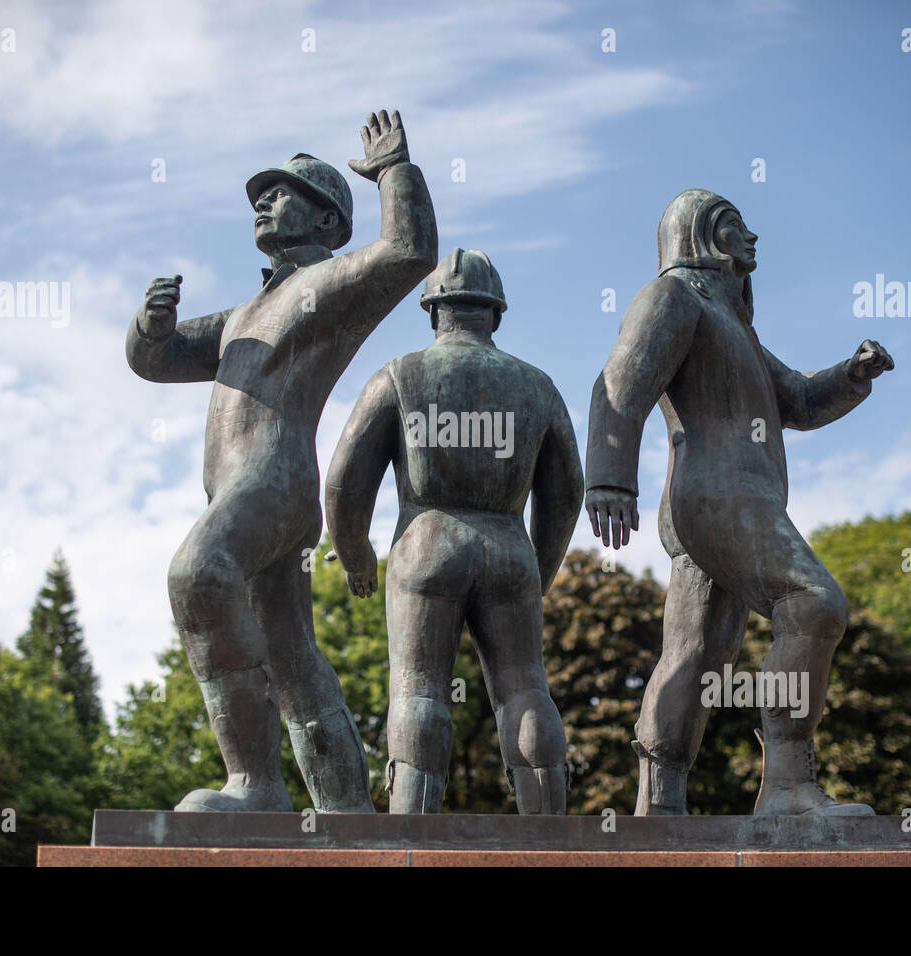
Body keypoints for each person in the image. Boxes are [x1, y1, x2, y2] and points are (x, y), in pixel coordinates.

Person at [125, 110, 437, 812]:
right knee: (292, 656)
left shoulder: (329, 284)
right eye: (259, 196)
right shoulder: (246, 312)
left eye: (281, 192)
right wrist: (150, 331)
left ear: (328, 223)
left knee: (199, 573)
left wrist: (395, 171)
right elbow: (163, 362)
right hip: (244, 489)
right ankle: (347, 808)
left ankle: (256, 787)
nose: (263, 202)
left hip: (276, 480)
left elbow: (411, 251)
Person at [584, 189, 894, 815]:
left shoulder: (734, 324)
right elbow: (620, 381)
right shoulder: (673, 297)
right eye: (734, 227)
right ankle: (787, 784)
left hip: (732, 502)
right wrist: (611, 478)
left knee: (697, 653)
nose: (751, 239)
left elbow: (798, 401)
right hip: (719, 496)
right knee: (813, 601)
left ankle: (658, 805)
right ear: (702, 237)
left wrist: (852, 376)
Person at [325, 249, 583, 813]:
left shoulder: (399, 374)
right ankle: (549, 830)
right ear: (495, 313)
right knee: (524, 687)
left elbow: (344, 481)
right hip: (510, 549)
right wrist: (539, 569)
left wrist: (354, 555)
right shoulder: (538, 386)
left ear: (433, 310)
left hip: (426, 545)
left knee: (418, 688)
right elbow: (566, 493)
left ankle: (411, 826)